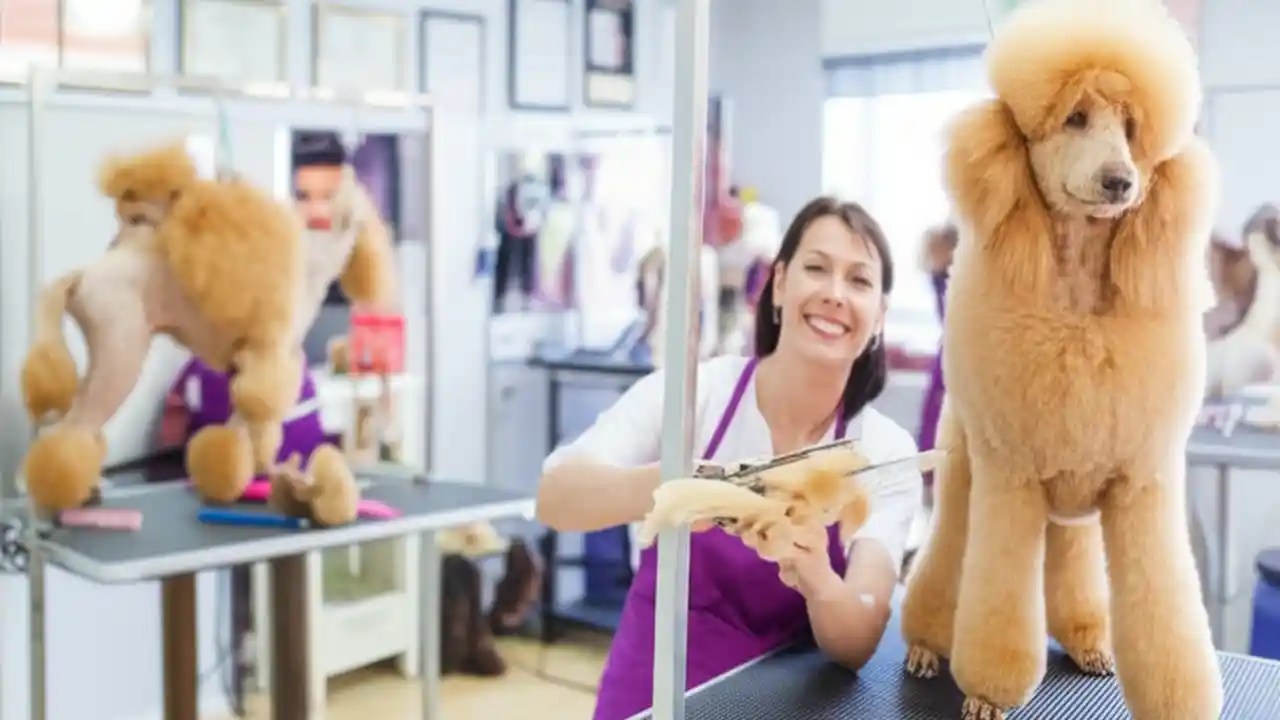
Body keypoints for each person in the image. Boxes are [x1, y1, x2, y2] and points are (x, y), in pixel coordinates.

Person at [537, 197, 923, 720]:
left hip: (783, 706)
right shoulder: (697, 394)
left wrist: (817, 577)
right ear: (779, 286)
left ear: (878, 316)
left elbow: (857, 639)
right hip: (653, 693)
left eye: (859, 280)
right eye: (816, 268)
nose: (835, 294)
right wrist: (686, 486)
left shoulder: (884, 453)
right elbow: (556, 497)